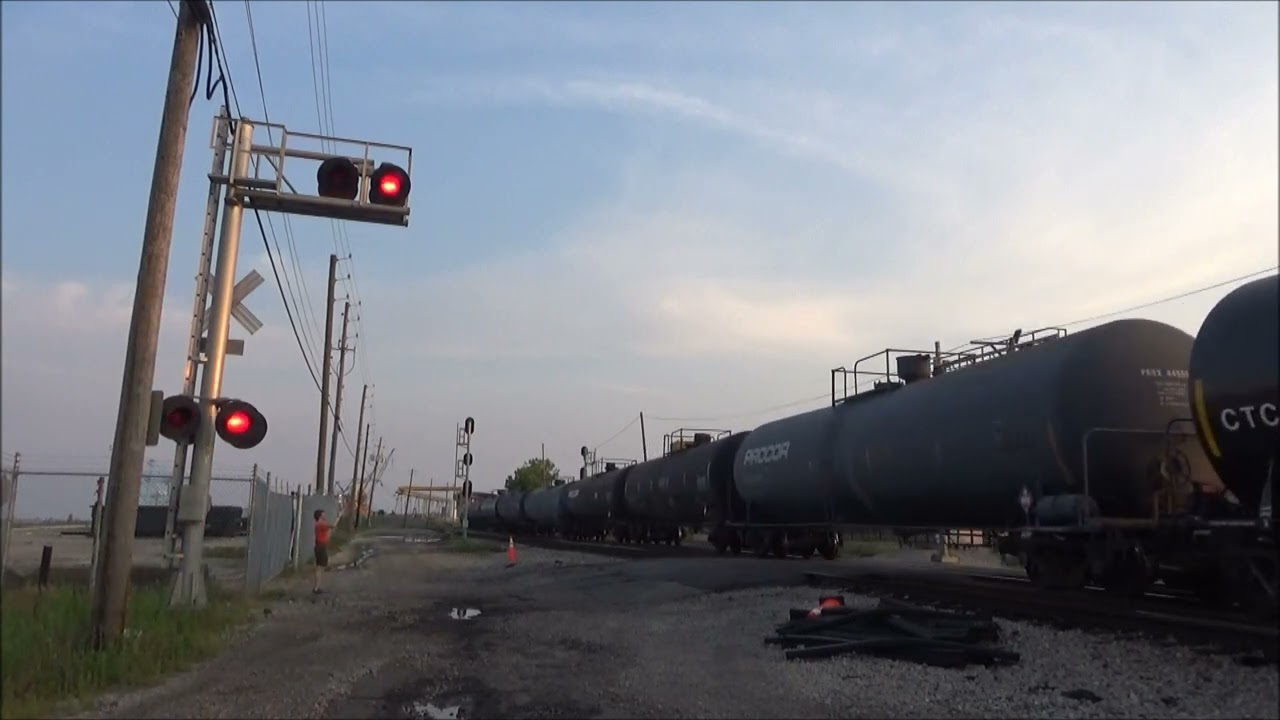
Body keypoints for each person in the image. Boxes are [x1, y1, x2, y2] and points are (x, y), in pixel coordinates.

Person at [313, 508, 334, 594]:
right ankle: (316, 588)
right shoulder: (321, 524)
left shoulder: (319, 524)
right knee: (320, 567)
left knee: (320, 567)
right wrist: (339, 516)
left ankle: (317, 587)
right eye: (323, 514)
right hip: (321, 547)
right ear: (320, 516)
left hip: (320, 546)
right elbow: (332, 526)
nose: (325, 515)